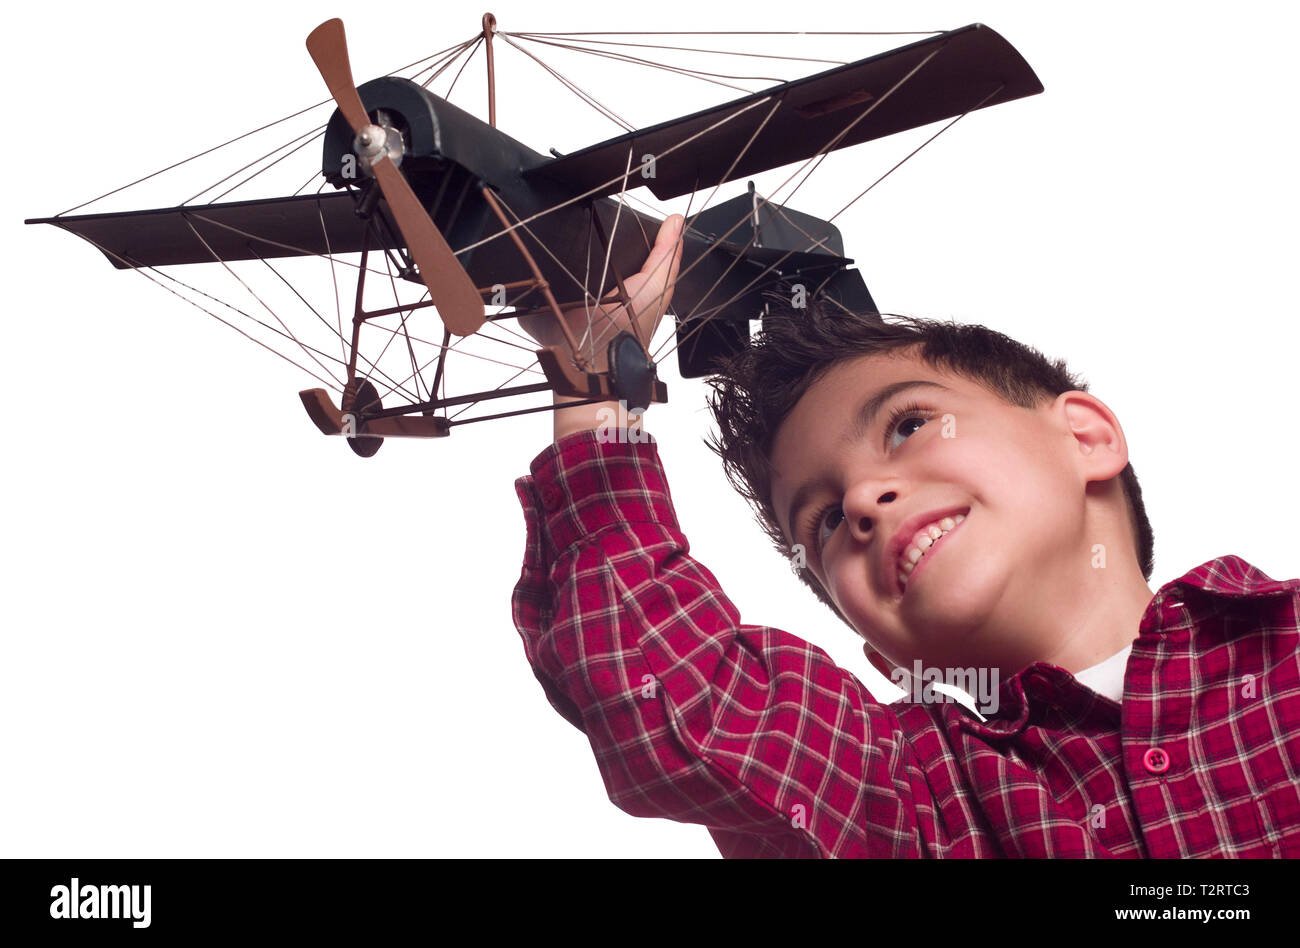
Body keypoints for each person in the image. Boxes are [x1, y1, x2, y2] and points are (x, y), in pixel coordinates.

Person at [512, 214, 1300, 857]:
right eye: (822, 523)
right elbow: (678, 695)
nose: (861, 497)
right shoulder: (904, 791)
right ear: (886, 658)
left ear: (1086, 438)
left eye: (911, 424)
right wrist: (595, 381)